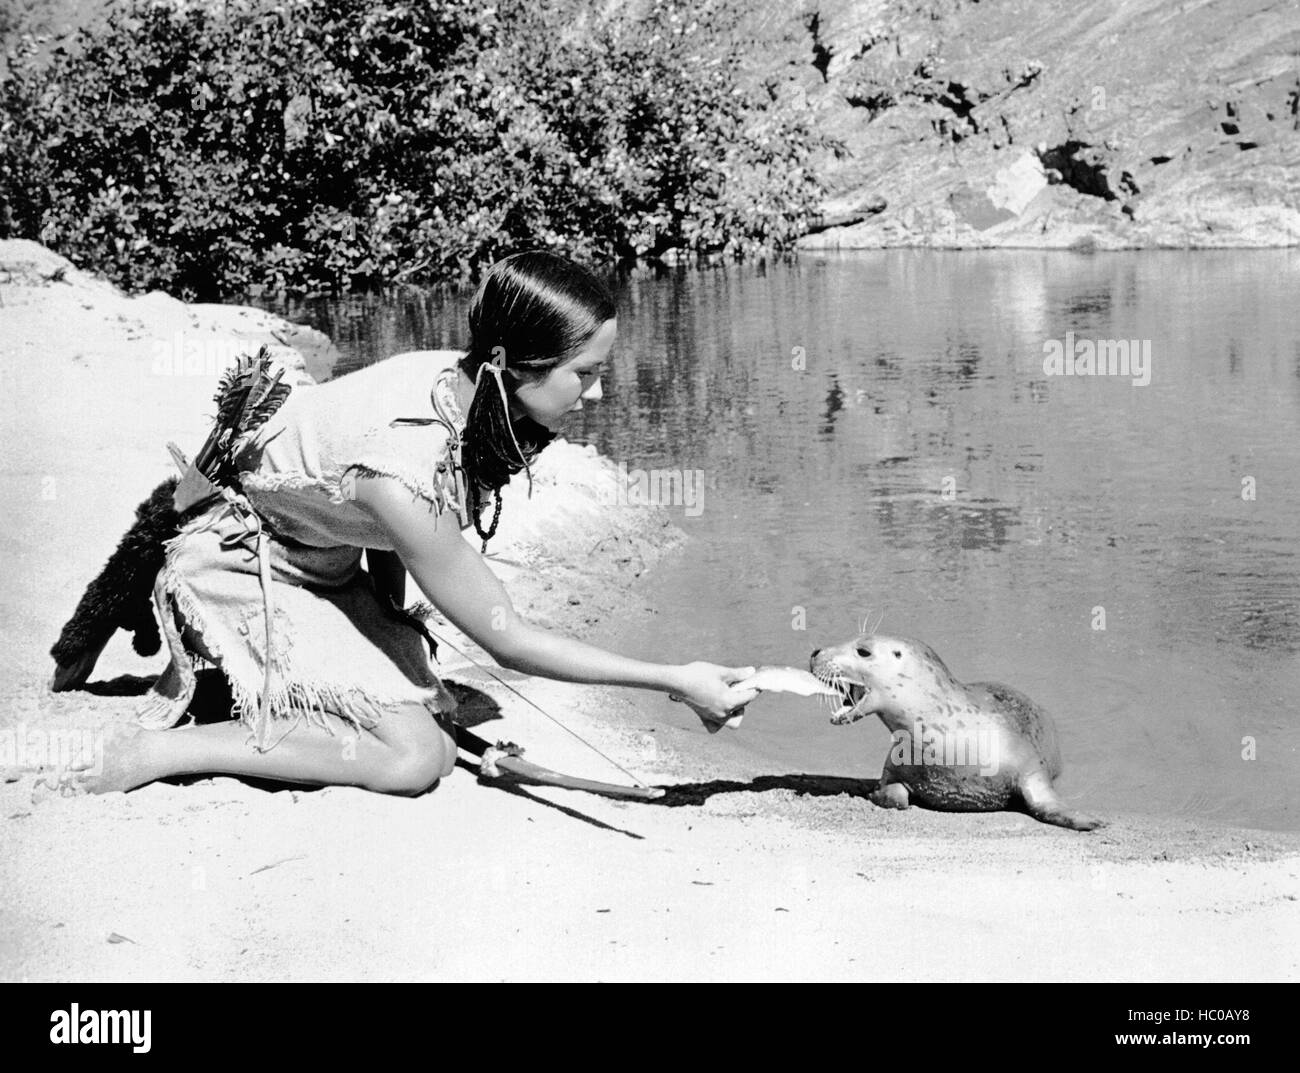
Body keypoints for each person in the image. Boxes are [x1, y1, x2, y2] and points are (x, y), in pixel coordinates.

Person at [70, 251, 758, 795]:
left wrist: (393, 625)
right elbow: (509, 639)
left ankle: (258, 697)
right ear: (504, 364)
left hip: (318, 559)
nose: (599, 391)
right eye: (584, 373)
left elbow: (386, 539)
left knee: (427, 711)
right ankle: (160, 750)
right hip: (242, 564)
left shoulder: (457, 381)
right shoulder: (405, 468)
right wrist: (678, 675)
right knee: (417, 757)